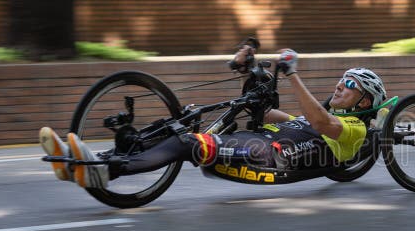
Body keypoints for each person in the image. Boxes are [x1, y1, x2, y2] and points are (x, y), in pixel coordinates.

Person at [39, 43, 387, 189]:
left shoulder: (353, 129)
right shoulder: (309, 119)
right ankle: (81, 161)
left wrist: (293, 74)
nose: (341, 85)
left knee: (190, 142)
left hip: (272, 157)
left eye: (351, 83)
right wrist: (251, 70)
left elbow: (322, 123)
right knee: (185, 125)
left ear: (363, 101)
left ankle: (105, 172)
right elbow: (264, 110)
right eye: (341, 80)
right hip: (264, 143)